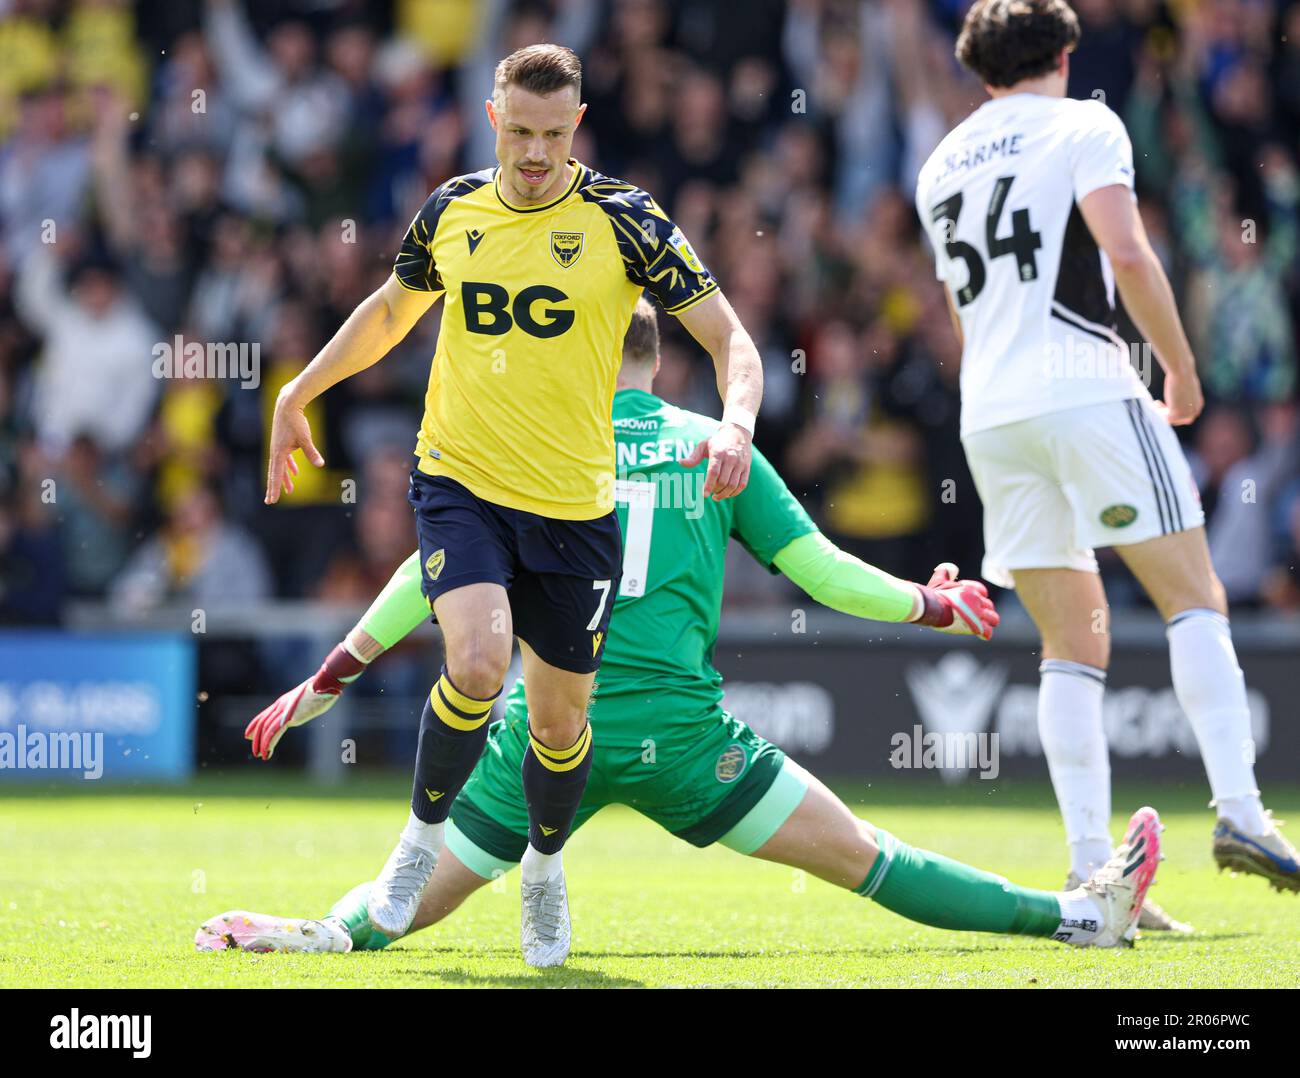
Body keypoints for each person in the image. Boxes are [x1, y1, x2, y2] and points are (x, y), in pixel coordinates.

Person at [201, 299, 1162, 960]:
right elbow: (819, 571)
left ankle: (305, 934)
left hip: (540, 741)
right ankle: (1080, 917)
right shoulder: (716, 444)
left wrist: (321, 683)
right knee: (871, 860)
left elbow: (428, 581)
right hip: (682, 741)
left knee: (392, 911)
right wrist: (930, 601)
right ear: (660, 361)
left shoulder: (526, 449)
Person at [262, 44, 763, 966]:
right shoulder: (454, 209)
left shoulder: (627, 220)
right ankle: (414, 848)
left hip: (574, 507)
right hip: (460, 481)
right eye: (521, 132)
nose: (536, 154)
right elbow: (386, 312)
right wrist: (300, 390)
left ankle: (543, 866)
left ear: (577, 127)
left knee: (561, 723)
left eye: (555, 133)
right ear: (493, 119)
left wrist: (734, 424)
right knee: (483, 660)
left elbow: (731, 337)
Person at [913, 0, 1298, 927]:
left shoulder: (936, 165)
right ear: (1066, 52)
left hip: (993, 414)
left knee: (1070, 645)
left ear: (979, 69)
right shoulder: (1087, 122)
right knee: (1194, 597)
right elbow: (1125, 249)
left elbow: (962, 317)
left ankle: (1096, 876)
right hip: (1087, 386)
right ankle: (1242, 813)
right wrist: (1179, 364)